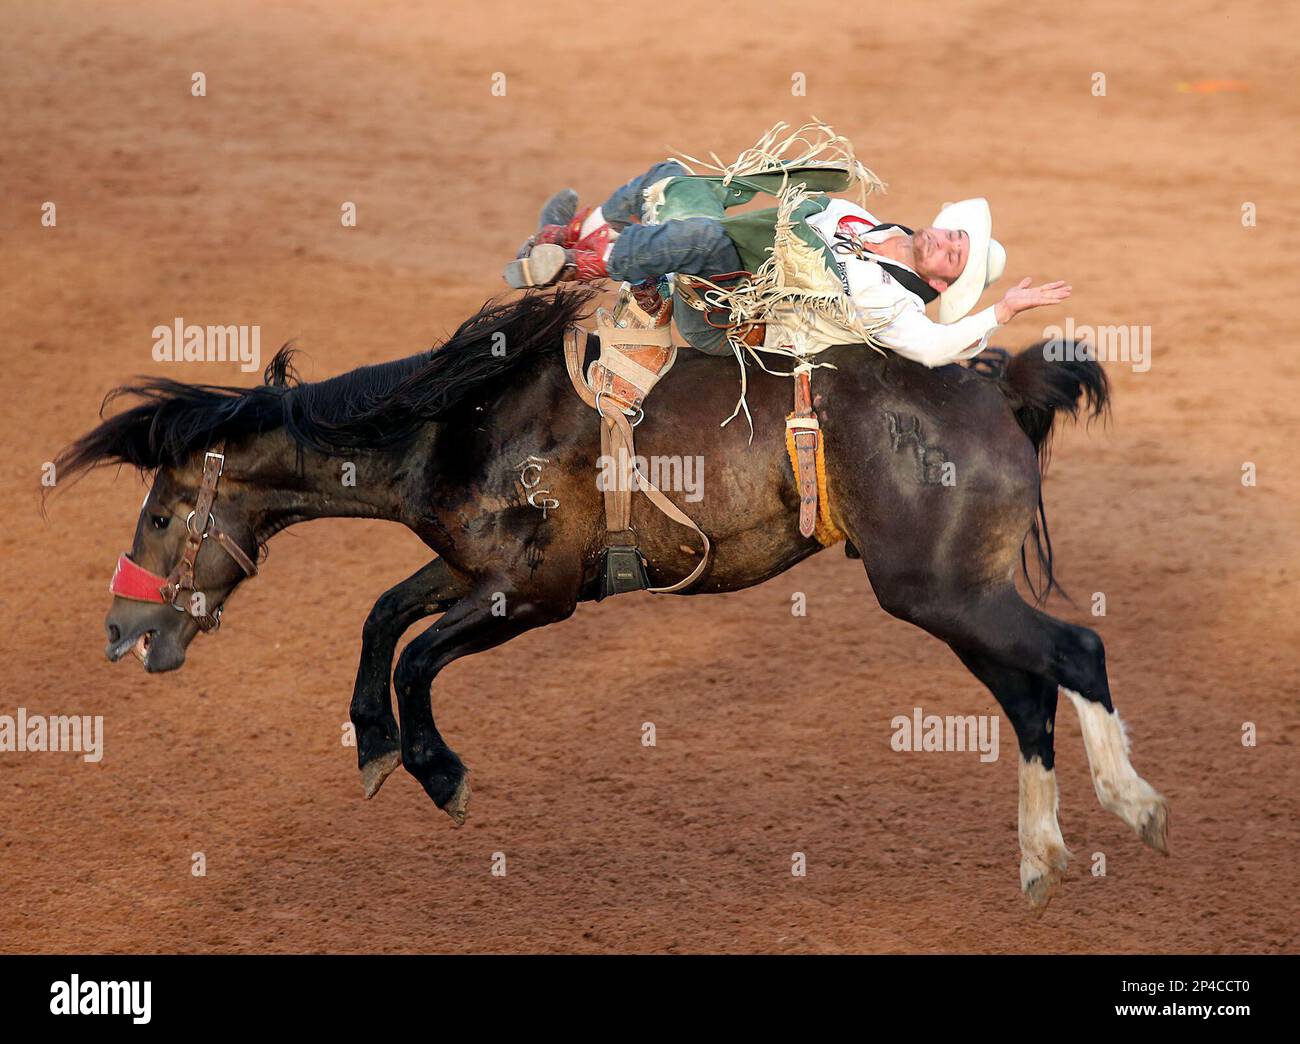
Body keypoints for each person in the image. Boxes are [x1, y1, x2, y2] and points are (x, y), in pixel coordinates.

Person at [505, 159, 1071, 366]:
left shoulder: (894, 302)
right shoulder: (854, 215)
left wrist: (1004, 311)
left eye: (955, 255)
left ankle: (574, 264)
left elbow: (931, 348)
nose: (946, 243)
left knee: (704, 237)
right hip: (725, 257)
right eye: (954, 235)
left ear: (944, 280)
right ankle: (570, 233)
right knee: (671, 174)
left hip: (725, 316)